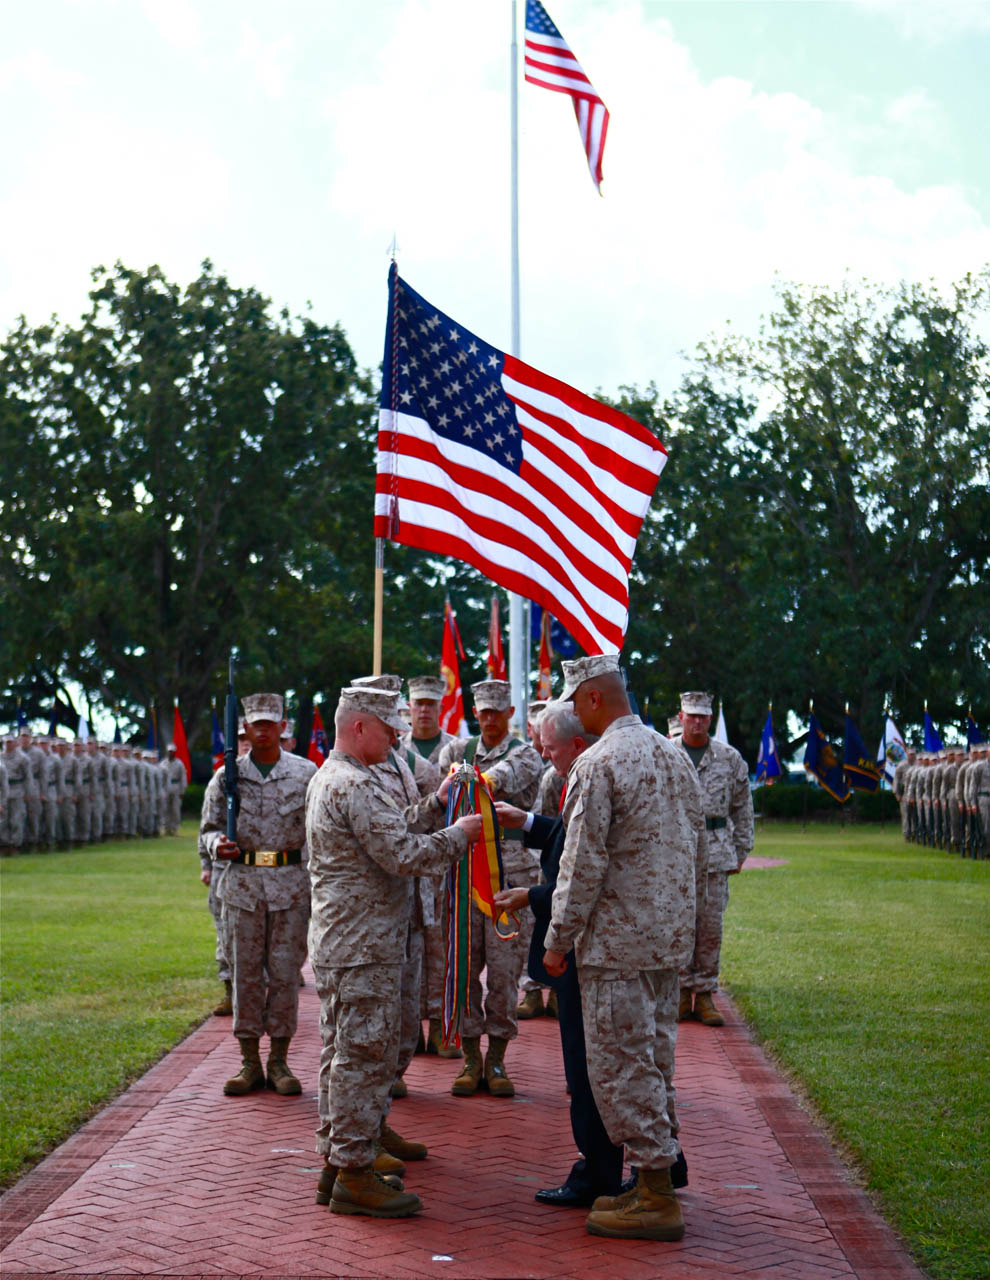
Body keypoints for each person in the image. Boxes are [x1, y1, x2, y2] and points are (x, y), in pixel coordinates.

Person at [543, 654, 707, 1242]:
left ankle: (656, 1195)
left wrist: (557, 940)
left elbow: (580, 865)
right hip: (665, 942)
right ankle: (650, 1178)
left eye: (573, 702)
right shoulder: (674, 755)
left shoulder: (598, 762)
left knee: (620, 1065)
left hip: (616, 946)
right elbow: (697, 853)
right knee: (655, 1060)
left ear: (591, 700)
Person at [306, 685, 482, 1219]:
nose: (397, 738)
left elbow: (393, 827)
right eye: (388, 729)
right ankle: (356, 1175)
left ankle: (338, 1161)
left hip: (349, 942)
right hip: (364, 946)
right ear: (359, 727)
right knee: (362, 1055)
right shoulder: (354, 784)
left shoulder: (332, 777)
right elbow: (403, 853)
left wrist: (438, 803)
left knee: (343, 1054)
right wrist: (460, 834)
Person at [493, 699, 627, 1207]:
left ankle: (597, 1172)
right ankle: (646, 1164)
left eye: (549, 750)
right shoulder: (586, 775)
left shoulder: (591, 777)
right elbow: (568, 840)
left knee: (587, 1065)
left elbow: (585, 877)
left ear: (575, 745)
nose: (544, 757)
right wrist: (527, 821)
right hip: (597, 942)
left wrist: (530, 897)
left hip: (583, 947)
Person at [199, 692, 315, 1097]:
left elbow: (319, 832)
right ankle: (249, 1061)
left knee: (284, 975)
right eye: (255, 723)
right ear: (244, 728)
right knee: (246, 976)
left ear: (283, 727)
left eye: (271, 722)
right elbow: (208, 829)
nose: (263, 730)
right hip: (243, 887)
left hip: (290, 887)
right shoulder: (226, 776)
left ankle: (279, 1061)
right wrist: (218, 848)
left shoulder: (306, 774)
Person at [437, 679, 544, 1098]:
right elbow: (441, 794)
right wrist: (463, 772)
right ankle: (469, 1058)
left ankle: (497, 1057)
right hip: (464, 876)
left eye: (496, 712)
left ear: (510, 714)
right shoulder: (454, 752)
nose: (489, 719)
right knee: (464, 967)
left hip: (509, 878)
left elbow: (501, 777)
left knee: (503, 972)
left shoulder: (525, 753)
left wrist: (472, 777)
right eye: (483, 712)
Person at [676, 691, 754, 1027]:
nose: (696, 721)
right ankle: (679, 992)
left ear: (710, 719)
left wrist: (741, 849)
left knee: (709, 926)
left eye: (702, 716)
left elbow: (743, 808)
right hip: (675, 852)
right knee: (678, 922)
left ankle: (705, 993)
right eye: (691, 715)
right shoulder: (666, 752)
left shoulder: (729, 758)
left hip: (717, 849)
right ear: (680, 716)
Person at [400, 674, 459, 1058]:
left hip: (441, 864)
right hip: (406, 863)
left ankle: (439, 1026)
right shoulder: (396, 751)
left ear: (440, 707)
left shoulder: (455, 750)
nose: (423, 710)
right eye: (417, 704)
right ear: (408, 708)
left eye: (430, 704)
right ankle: (411, 1031)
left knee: (441, 949)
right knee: (409, 952)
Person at [161, 743, 188, 836]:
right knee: (165, 809)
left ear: (175, 753)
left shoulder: (179, 763)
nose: (170, 753)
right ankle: (166, 828)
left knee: (175, 809)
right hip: (166, 787)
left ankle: (174, 828)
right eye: (169, 752)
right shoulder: (163, 763)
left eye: (172, 752)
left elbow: (183, 777)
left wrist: (182, 790)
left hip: (176, 786)